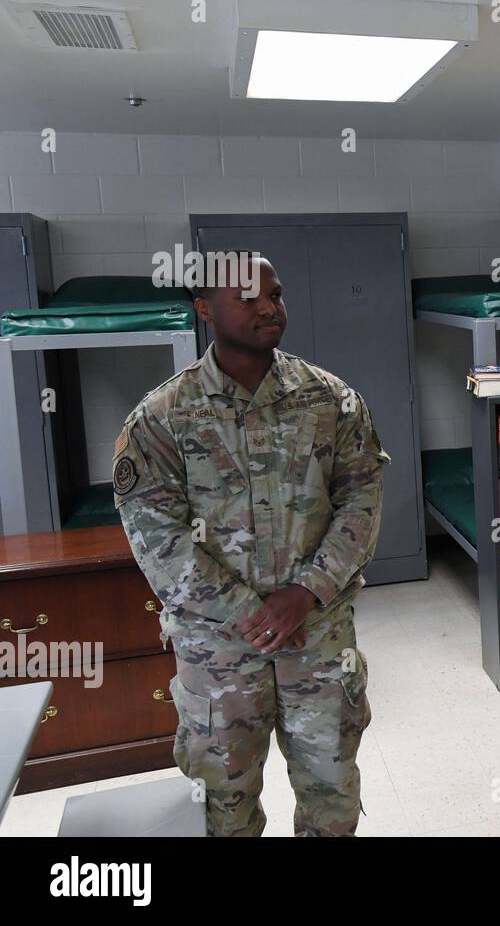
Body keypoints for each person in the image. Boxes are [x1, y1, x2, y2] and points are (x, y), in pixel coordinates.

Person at [113, 253, 388, 836]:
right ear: (205, 310)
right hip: (219, 653)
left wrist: (306, 594)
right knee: (222, 806)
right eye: (247, 297)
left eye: (277, 293)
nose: (268, 307)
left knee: (331, 796)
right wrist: (251, 612)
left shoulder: (331, 400)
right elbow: (157, 537)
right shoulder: (163, 418)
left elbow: (362, 503)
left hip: (317, 640)